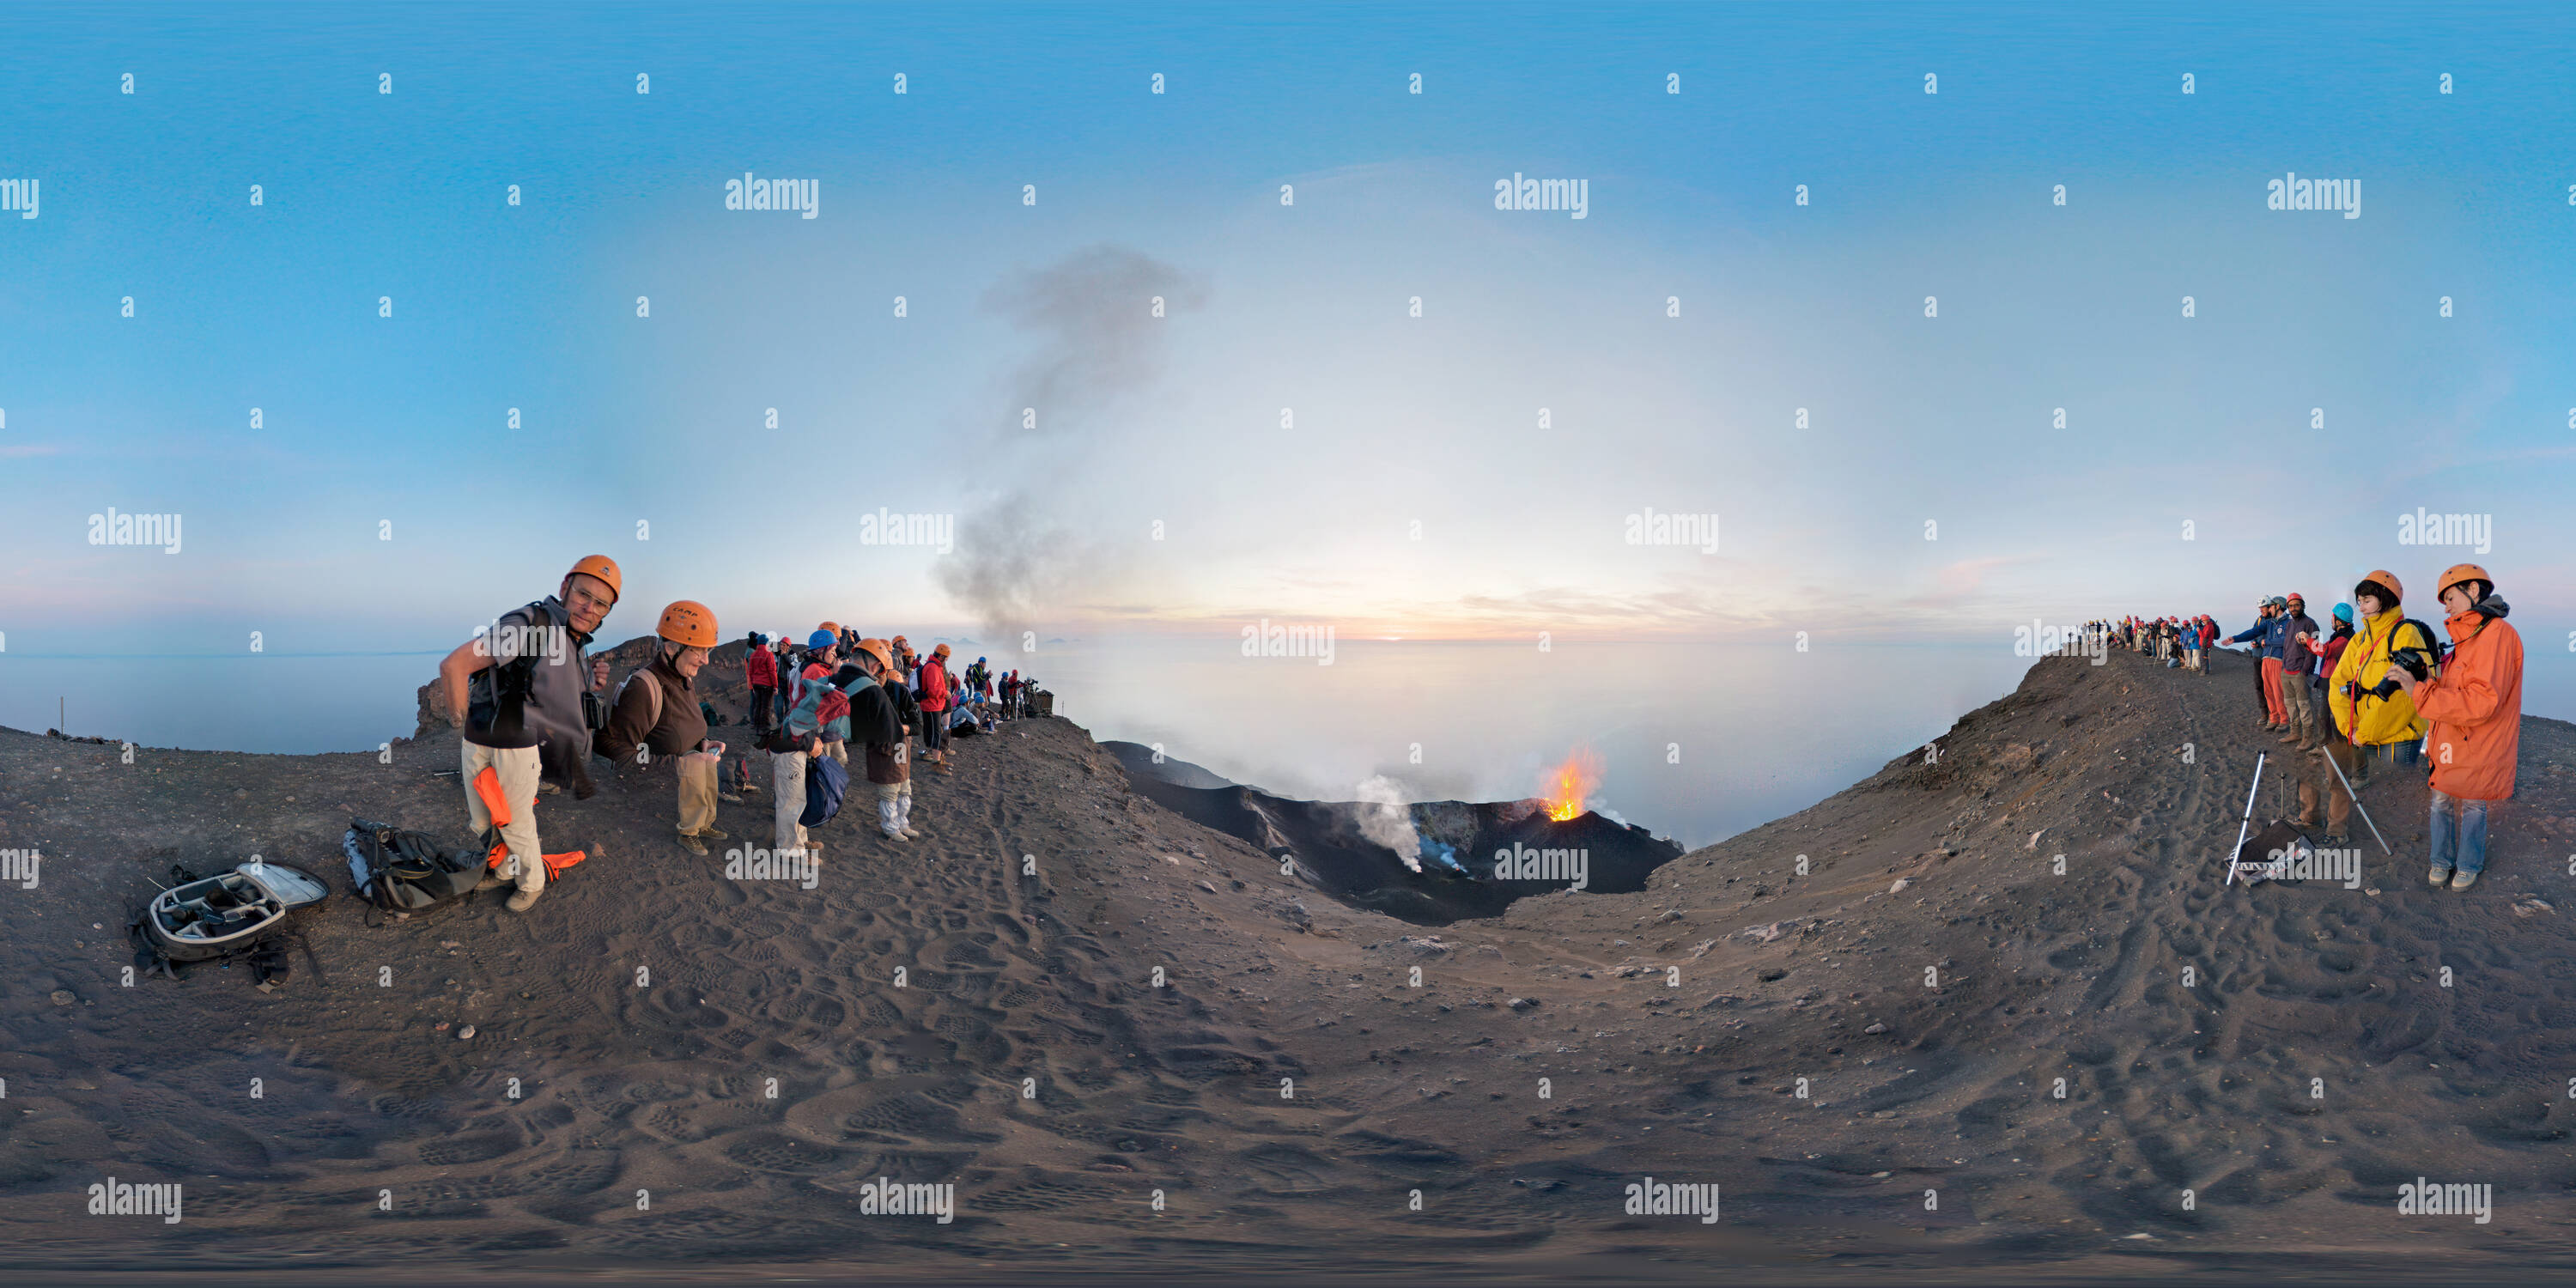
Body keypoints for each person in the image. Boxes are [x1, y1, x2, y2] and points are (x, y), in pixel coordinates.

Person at [433, 555, 618, 913]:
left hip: (519, 747)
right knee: (483, 820)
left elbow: (559, 692)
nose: (590, 607)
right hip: (482, 740)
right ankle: (504, 868)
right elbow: (454, 665)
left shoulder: (573, 639)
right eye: (584, 595)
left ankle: (531, 882)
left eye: (601, 604)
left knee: (515, 821)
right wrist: (462, 726)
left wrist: (592, 680)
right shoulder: (529, 624)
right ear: (565, 587)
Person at [2389, 563, 2522, 891]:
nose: (2445, 606)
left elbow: (2481, 702)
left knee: (2474, 804)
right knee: (2440, 801)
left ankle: (2469, 864)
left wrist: (2417, 691)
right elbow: (2455, 689)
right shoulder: (2467, 637)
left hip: (2478, 743)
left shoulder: (2497, 635)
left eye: (2449, 597)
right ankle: (2441, 861)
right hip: (2449, 739)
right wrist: (2425, 679)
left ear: (2473, 590)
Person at [2303, 570, 2440, 848]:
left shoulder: (2406, 633)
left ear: (2386, 599)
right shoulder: (2361, 638)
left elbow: (2404, 697)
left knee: (2401, 796)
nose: (2362, 606)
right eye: (2359, 601)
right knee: (2339, 773)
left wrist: (2362, 731)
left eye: (2367, 600)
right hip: (2361, 731)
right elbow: (2339, 683)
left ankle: (2409, 843)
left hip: (2400, 737)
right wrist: (2348, 726)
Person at [598, 601, 730, 855]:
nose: (705, 660)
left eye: (708, 651)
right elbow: (618, 752)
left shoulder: (684, 677)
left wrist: (703, 743)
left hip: (690, 759)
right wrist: (678, 765)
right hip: (655, 784)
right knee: (694, 769)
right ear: (671, 648)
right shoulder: (643, 687)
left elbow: (680, 725)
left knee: (707, 773)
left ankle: (703, 824)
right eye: (699, 651)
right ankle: (688, 832)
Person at [845, 638, 920, 843]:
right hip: (882, 746)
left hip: (900, 744)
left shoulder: (898, 691)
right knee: (889, 790)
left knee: (904, 786)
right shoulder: (867, 691)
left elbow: (917, 725)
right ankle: (890, 827)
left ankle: (902, 824)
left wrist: (900, 728)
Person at [2227, 598, 2286, 728]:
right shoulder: (2269, 623)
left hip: (2277, 659)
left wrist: (2267, 642)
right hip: (2265, 658)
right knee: (2267, 689)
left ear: (2277, 607)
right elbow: (2254, 632)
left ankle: (2284, 719)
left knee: (2278, 690)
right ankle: (2273, 717)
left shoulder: (2288, 623)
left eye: (2269, 607)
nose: (2268, 609)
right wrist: (2235, 639)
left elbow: (2285, 640)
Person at [2275, 593, 2322, 750]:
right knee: (2290, 704)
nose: (2294, 608)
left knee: (2304, 705)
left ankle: (2308, 738)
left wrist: (2305, 671)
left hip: (2300, 673)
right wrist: (2283, 666)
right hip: (2287, 670)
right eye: (2291, 606)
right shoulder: (2289, 624)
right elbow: (2287, 647)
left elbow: (2314, 649)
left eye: (2296, 605)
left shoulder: (2311, 624)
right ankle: (2295, 732)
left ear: (2302, 605)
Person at [917, 643, 954, 775]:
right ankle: (936, 764)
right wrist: (945, 693)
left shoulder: (934, 666)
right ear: (941, 656)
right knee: (936, 733)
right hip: (932, 705)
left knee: (934, 732)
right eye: (946, 657)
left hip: (935, 704)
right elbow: (933, 689)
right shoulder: (933, 667)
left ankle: (937, 759)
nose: (946, 660)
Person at [744, 631, 778, 735]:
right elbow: (772, 671)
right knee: (766, 707)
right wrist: (775, 686)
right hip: (767, 684)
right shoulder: (769, 654)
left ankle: (757, 727)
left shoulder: (753, 655)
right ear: (766, 643)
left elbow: (750, 671)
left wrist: (753, 684)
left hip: (756, 684)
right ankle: (765, 729)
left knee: (758, 705)